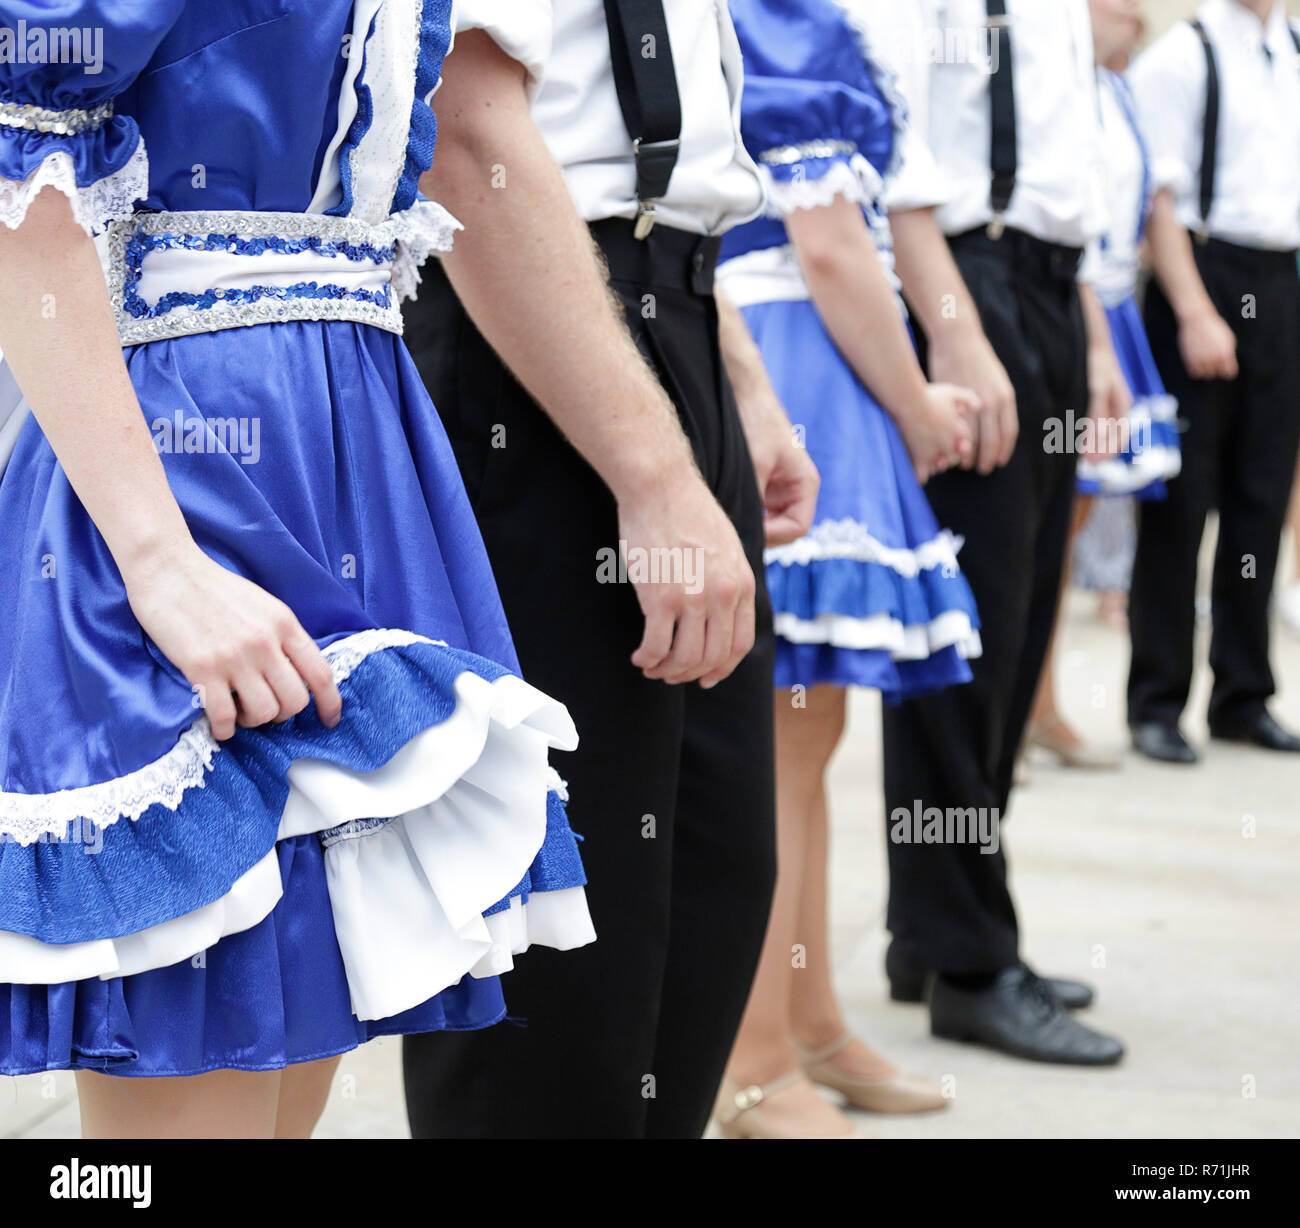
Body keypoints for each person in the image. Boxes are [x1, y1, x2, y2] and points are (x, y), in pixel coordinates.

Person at [0, 0, 596, 1138]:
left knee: (288, 1050)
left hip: (353, 444)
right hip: (188, 462)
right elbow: (21, 163)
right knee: (192, 1047)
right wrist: (160, 561)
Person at [400, 1, 818, 1139]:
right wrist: (653, 472)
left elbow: (662, 179)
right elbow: (469, 136)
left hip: (661, 313)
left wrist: (732, 383)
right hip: (524, 341)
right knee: (565, 944)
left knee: (706, 884)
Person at [711, 0, 980, 1141]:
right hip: (799, 357)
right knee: (785, 738)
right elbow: (824, 242)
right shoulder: (789, 24)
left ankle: (806, 1022)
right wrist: (915, 400)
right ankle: (754, 1057)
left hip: (809, 355)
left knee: (805, 735)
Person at [878, 0, 1128, 1065]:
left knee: (1013, 631)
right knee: (968, 642)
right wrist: (956, 333)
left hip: (1044, 285)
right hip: (964, 283)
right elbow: (898, 160)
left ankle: (929, 931)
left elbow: (1061, 189)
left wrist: (1094, 344)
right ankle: (969, 960)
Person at [1127, 0, 1300, 763]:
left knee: (1262, 498)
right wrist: (1195, 310)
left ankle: (1243, 692)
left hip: (1280, 278)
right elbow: (1154, 197)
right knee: (1182, 501)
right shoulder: (1182, 55)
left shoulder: (1291, 48)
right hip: (1202, 271)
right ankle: (1157, 701)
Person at [1026, 0, 1181, 773]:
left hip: (1112, 307)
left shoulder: (1119, 93)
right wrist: (1095, 347)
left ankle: (1039, 697)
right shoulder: (1051, 84)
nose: (1137, 16)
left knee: (1074, 515)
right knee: (1039, 518)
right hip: (1069, 305)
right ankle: (1019, 700)